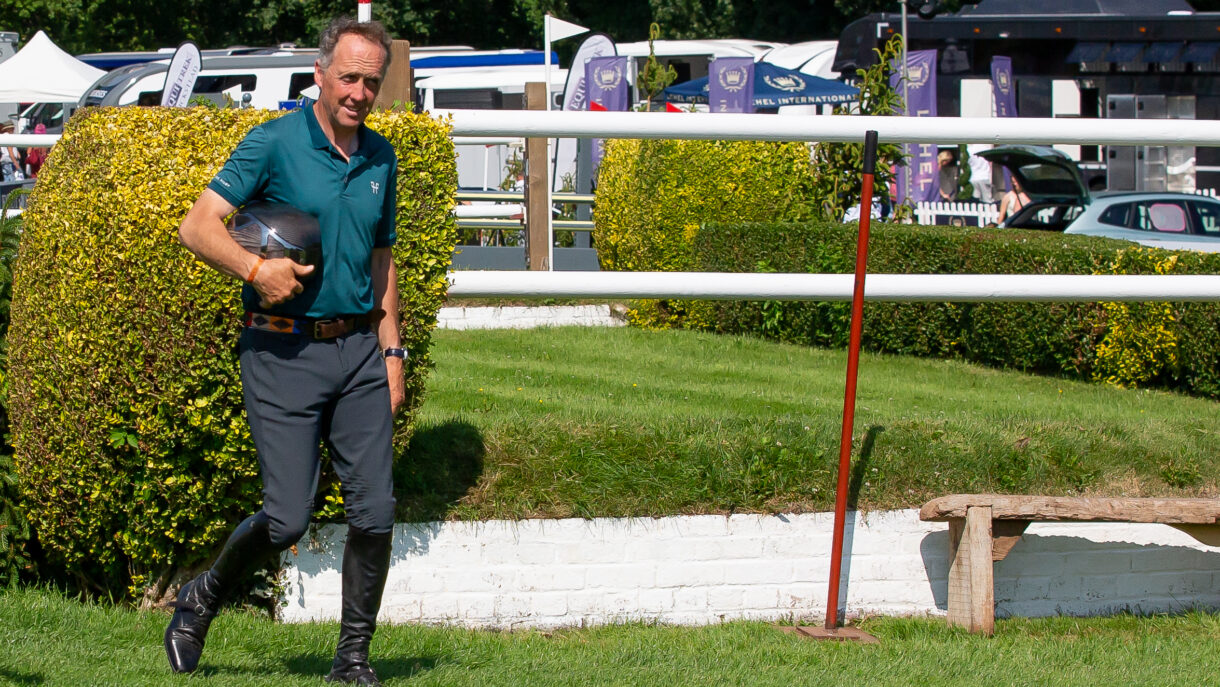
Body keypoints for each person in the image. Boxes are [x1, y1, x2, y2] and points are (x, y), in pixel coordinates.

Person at [170, 16, 403, 686]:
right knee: (287, 516)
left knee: (375, 511)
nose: (360, 91)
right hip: (281, 355)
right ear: (321, 74)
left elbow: (382, 259)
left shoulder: (381, 158)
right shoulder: (272, 143)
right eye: (350, 77)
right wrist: (253, 270)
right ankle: (202, 596)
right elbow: (196, 226)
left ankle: (351, 661)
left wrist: (393, 354)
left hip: (359, 349)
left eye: (371, 80)